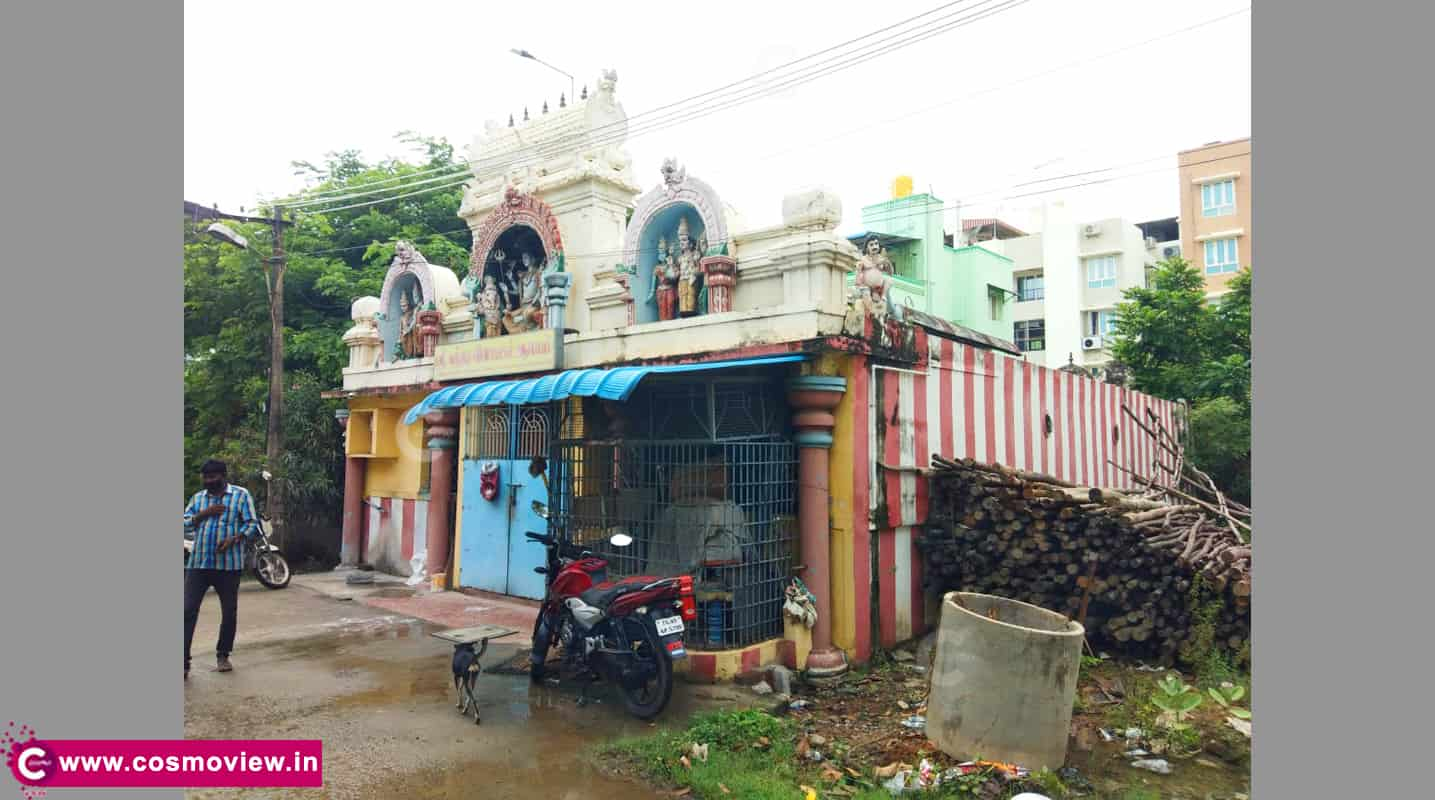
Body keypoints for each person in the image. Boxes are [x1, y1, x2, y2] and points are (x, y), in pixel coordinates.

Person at [183, 459, 260, 680]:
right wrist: (205, 513)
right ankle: (183, 662)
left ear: (223, 476)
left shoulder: (241, 495)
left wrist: (235, 539)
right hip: (199, 563)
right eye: (205, 478)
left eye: (213, 477)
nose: (209, 481)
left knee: (229, 612)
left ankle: (223, 655)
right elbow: (184, 522)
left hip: (228, 566)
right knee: (187, 610)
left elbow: (252, 523)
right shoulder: (198, 498)